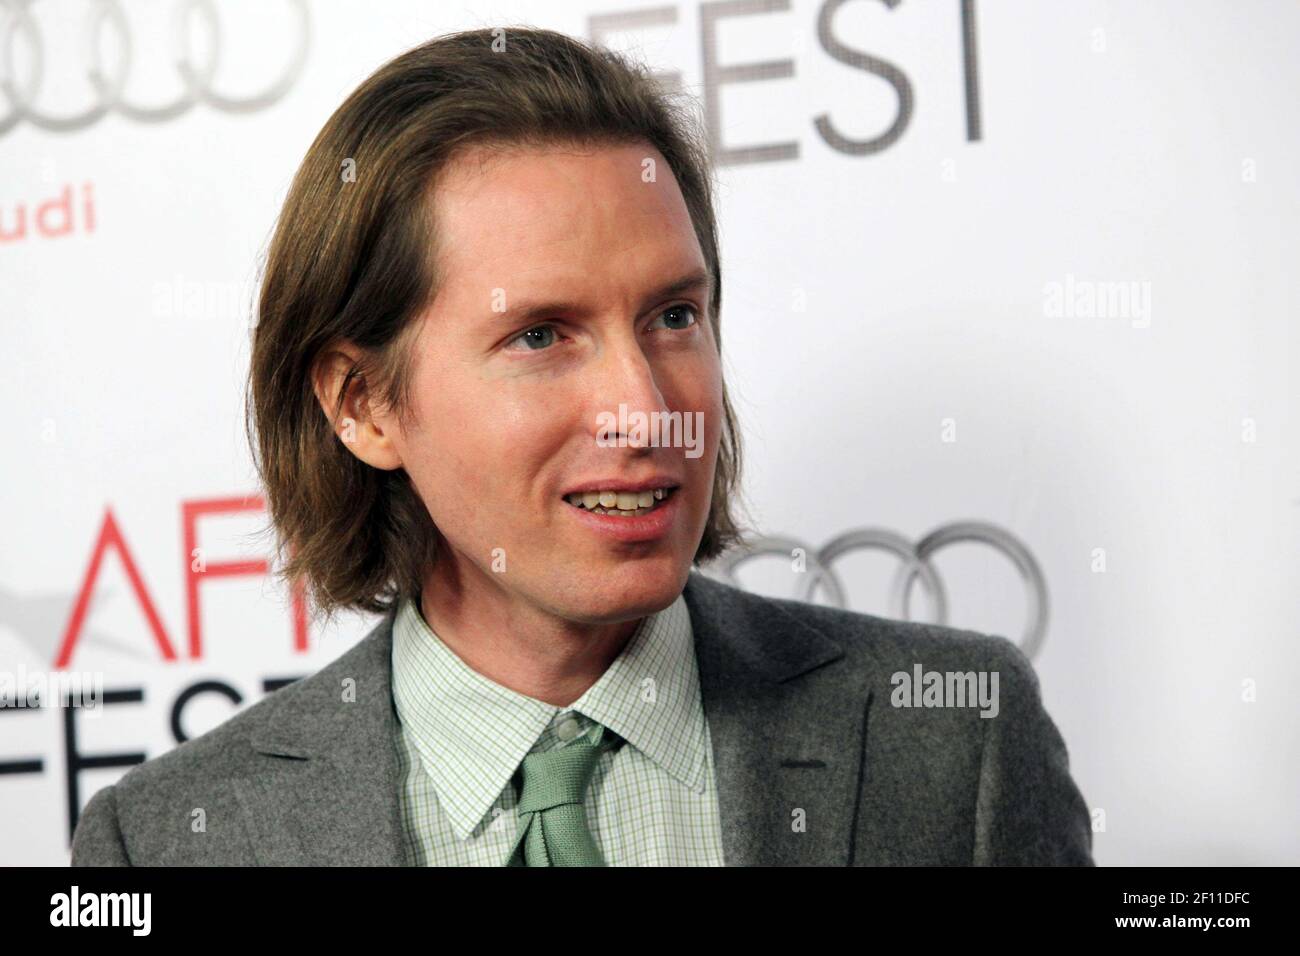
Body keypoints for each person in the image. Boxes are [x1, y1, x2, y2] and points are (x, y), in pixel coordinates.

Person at [71, 26, 1093, 866]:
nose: (645, 409)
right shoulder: (165, 846)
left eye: (673, 315)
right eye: (540, 334)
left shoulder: (956, 743)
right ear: (363, 402)